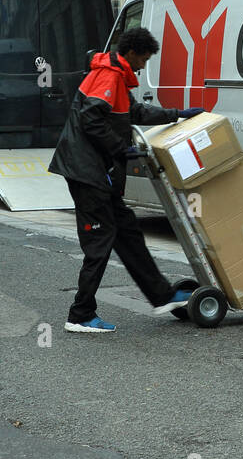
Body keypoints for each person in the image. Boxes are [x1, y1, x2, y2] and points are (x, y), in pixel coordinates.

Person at [49, 27, 203, 333]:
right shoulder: (108, 76)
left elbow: (132, 111)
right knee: (100, 241)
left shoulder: (115, 74)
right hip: (87, 172)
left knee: (128, 233)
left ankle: (162, 295)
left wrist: (177, 114)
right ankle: (80, 315)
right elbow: (90, 119)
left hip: (94, 172)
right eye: (144, 59)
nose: (144, 65)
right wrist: (122, 149)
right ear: (132, 52)